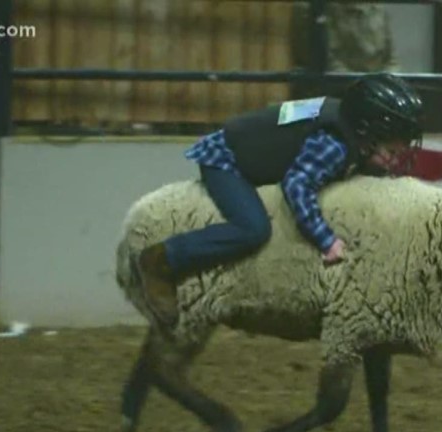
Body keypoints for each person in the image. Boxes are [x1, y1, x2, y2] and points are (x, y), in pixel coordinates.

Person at [132, 72, 425, 327]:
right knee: (253, 229)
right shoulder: (334, 144)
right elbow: (297, 184)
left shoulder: (344, 123)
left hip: (255, 154)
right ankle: (160, 260)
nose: (395, 156)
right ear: (366, 131)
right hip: (226, 159)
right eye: (391, 147)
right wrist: (327, 240)